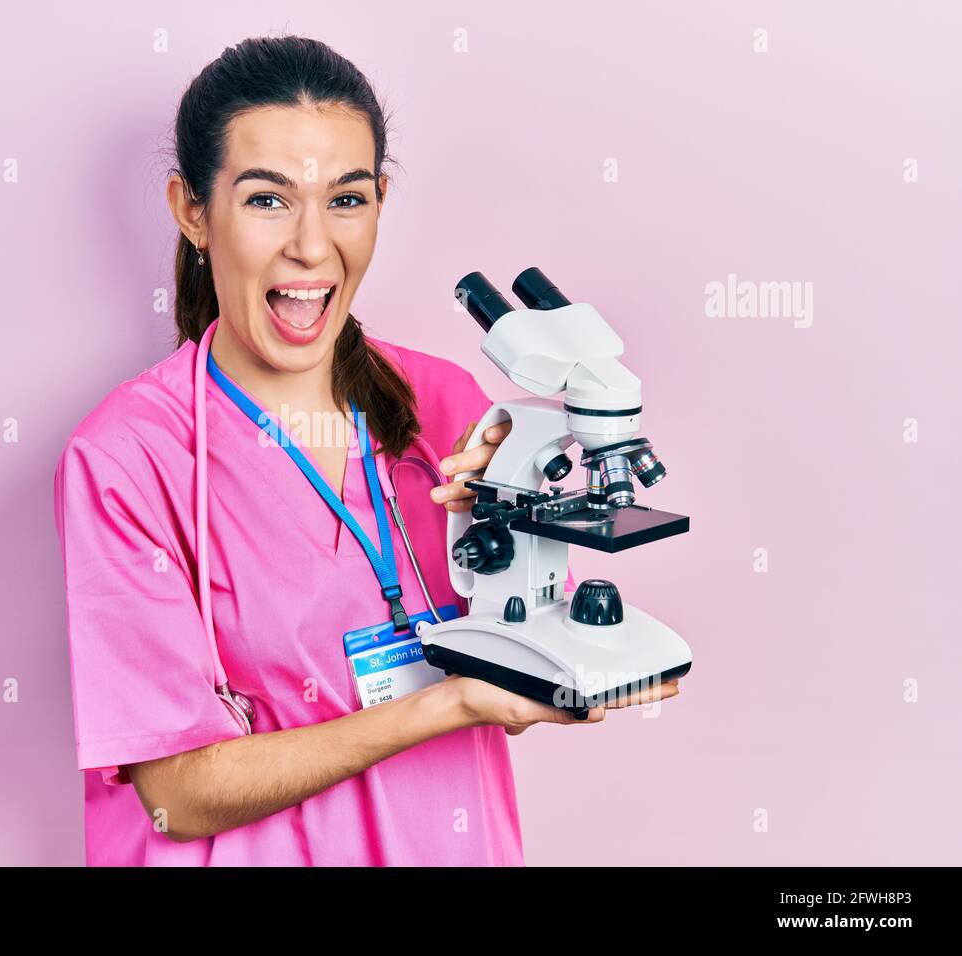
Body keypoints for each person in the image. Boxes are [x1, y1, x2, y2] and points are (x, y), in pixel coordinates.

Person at [52, 35, 679, 866]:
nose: (313, 247)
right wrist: (445, 706)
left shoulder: (447, 408)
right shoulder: (130, 459)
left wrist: (543, 562)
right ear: (191, 209)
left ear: (380, 201)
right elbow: (177, 795)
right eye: (268, 200)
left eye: (346, 199)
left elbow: (528, 629)